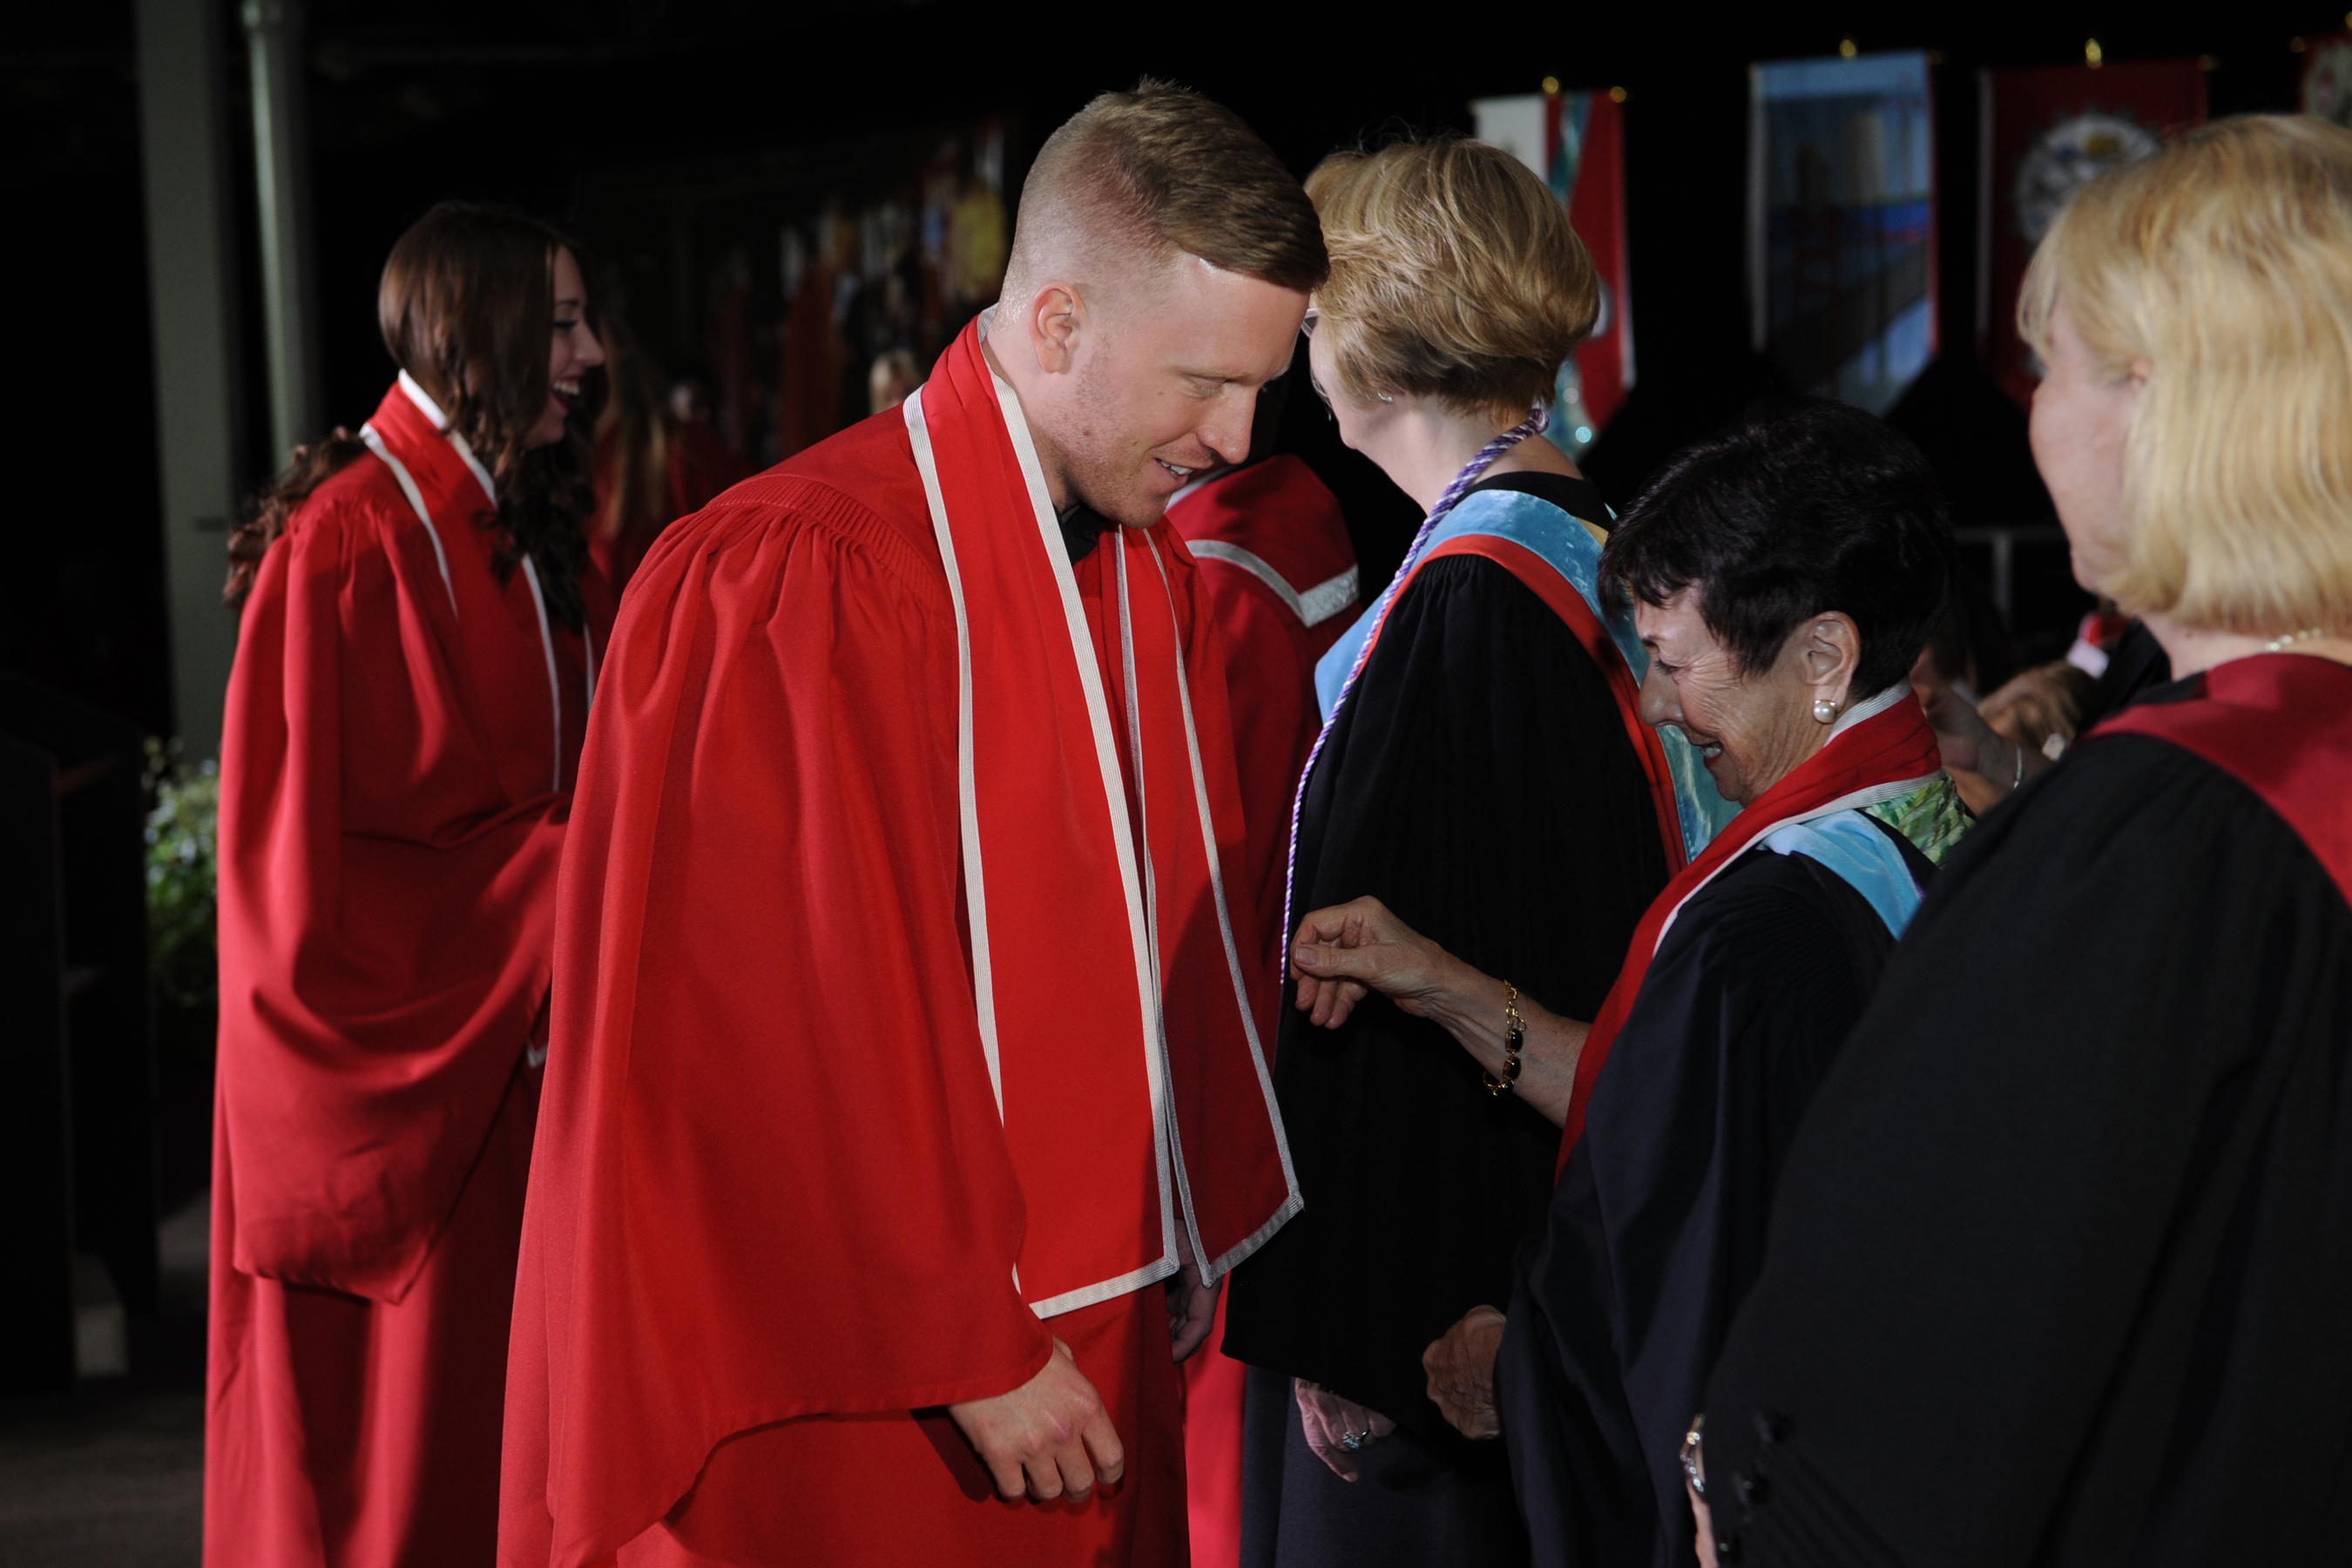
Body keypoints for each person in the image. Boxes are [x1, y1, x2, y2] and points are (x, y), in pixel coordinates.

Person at [498, 83, 1321, 1568]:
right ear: (1059, 322)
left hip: (1098, 1336)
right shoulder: (796, 572)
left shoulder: (1139, 566)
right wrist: (969, 1340)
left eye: (1262, 387)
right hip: (892, 1385)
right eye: (1205, 381)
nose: (1235, 436)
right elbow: (762, 1025)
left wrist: (1189, 1200)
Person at [1693, 115, 2352, 1566]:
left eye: (2051, 366)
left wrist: (1743, 1483)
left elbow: (1931, 1349)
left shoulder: (2160, 837)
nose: (2035, 414)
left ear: (2163, 401)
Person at [1281, 401, 1970, 1568]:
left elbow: (1695, 1301)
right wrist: (1439, 984)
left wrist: (1516, 1367)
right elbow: (1672, 1109)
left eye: (1672, 660)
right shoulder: (1938, 833)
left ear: (1823, 658)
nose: (1652, 704)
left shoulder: (1763, 934)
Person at [1220, 136, 1725, 1568]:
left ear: (1381, 326)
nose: (1303, 344)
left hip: (1445, 1326)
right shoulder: (1574, 539)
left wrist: (1362, 1327)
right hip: (1560, 1249)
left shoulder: (1481, 595)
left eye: (1318, 309)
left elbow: (1436, 979)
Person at [207, 201, 605, 1568]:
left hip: (516, 1085)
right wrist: (566, 869)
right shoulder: (346, 545)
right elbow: (297, 903)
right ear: (476, 331)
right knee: (407, 1484)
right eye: (561, 324)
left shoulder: (516, 527)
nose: (591, 355)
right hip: (416, 1096)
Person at [1163, 374, 1358, 1568]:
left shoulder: (1222, 578)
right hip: (1283, 1083)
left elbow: (1211, 914)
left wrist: (1189, 1187)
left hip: (1231, 1110)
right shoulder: (1290, 523)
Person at [587, 308, 753, 600]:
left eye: (584, 323)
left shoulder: (681, 453)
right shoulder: (534, 479)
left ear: (619, 346)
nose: (579, 347)